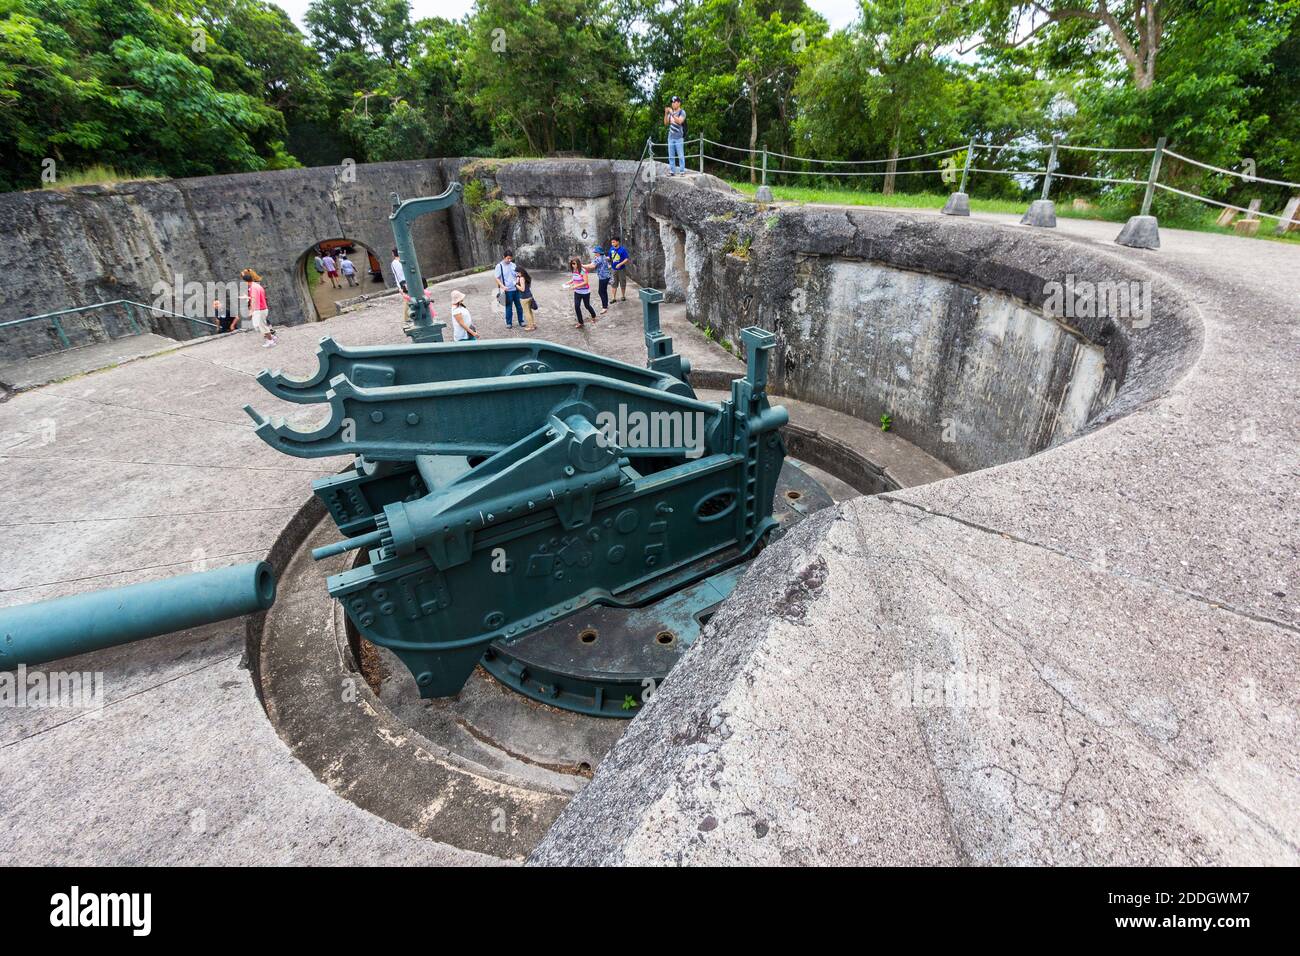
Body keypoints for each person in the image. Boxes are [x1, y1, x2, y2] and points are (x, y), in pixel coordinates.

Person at [240, 268, 276, 348]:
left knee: (262, 327)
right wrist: (248, 297)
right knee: (262, 326)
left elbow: (254, 300)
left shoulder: (253, 287)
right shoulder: (257, 286)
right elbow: (256, 297)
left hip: (260, 309)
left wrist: (251, 311)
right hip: (262, 308)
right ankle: (271, 338)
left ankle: (270, 341)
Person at [562, 256, 597, 328]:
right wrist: (568, 283)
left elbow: (586, 282)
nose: (573, 265)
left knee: (587, 306)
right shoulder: (574, 271)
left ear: (578, 263)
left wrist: (575, 286)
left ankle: (593, 316)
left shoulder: (583, 271)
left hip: (585, 292)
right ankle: (581, 322)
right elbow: (574, 279)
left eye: (574, 264)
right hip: (577, 292)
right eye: (572, 264)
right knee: (577, 306)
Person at [495, 249, 525, 329]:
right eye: (508, 258)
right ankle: (509, 323)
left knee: (519, 306)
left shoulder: (513, 265)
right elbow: (497, 278)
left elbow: (517, 274)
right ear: (503, 257)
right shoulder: (499, 266)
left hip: (516, 289)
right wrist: (503, 286)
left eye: (510, 258)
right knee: (508, 307)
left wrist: (518, 280)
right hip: (507, 290)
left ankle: (521, 321)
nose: (509, 260)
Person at [665, 95, 687, 174]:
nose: (673, 104)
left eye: (675, 102)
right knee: (671, 156)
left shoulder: (682, 112)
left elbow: (679, 121)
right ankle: (672, 171)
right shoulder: (671, 113)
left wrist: (672, 113)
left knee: (680, 155)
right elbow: (666, 123)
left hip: (679, 137)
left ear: (679, 103)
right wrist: (666, 113)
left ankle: (682, 171)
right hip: (670, 137)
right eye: (672, 102)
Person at [587, 246, 612, 313]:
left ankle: (604, 307)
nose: (595, 253)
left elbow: (592, 266)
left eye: (596, 252)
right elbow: (593, 263)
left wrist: (582, 266)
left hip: (603, 277)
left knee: (601, 292)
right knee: (604, 291)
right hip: (606, 276)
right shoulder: (603, 256)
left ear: (599, 253)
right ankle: (605, 305)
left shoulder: (599, 258)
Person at [516, 266, 540, 332]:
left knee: (527, 312)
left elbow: (522, 289)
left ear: (520, 272)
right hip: (529, 296)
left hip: (524, 297)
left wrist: (515, 285)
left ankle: (530, 326)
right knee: (530, 311)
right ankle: (533, 324)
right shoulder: (526, 277)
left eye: (517, 273)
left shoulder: (521, 278)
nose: (517, 274)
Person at [608, 236, 631, 302]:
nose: (612, 243)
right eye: (612, 242)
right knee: (613, 283)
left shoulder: (622, 250)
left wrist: (620, 264)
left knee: (622, 282)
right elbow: (610, 257)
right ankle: (613, 298)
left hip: (621, 269)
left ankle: (623, 296)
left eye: (613, 242)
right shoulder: (611, 249)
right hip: (613, 269)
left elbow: (626, 259)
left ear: (617, 242)